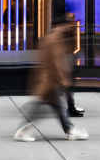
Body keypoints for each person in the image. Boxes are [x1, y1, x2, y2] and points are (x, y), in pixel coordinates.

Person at [13, 14, 87, 142]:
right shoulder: (55, 39)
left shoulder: (49, 37)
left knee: (57, 106)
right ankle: (22, 131)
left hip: (47, 79)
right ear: (61, 25)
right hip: (50, 80)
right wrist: (63, 79)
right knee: (41, 105)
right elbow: (57, 61)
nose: (69, 26)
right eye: (67, 24)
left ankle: (70, 130)